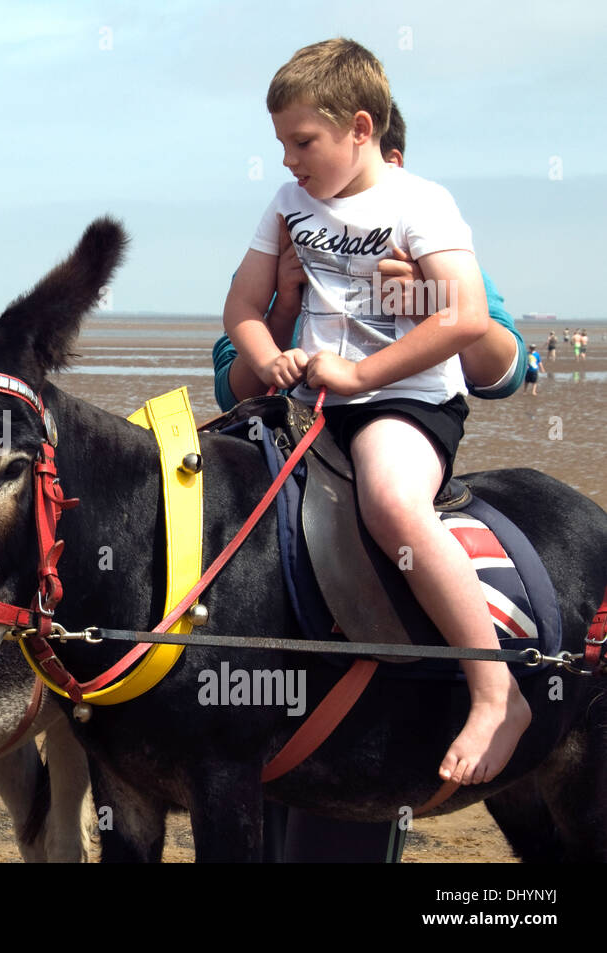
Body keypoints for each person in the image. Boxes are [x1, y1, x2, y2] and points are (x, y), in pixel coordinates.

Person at [222, 38, 530, 787]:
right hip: (311, 400)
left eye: (303, 142)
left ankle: (498, 690)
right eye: (282, 144)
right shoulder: (289, 202)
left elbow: (464, 320)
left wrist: (360, 372)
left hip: (403, 400)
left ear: (361, 129)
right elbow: (240, 305)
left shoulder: (420, 201)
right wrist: (267, 355)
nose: (289, 160)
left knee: (392, 502)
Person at [213, 101, 525, 410]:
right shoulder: (285, 243)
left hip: (402, 414)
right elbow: (234, 396)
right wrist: (283, 310)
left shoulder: (435, 251)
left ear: (392, 165)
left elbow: (502, 375)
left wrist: (432, 309)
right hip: (302, 420)